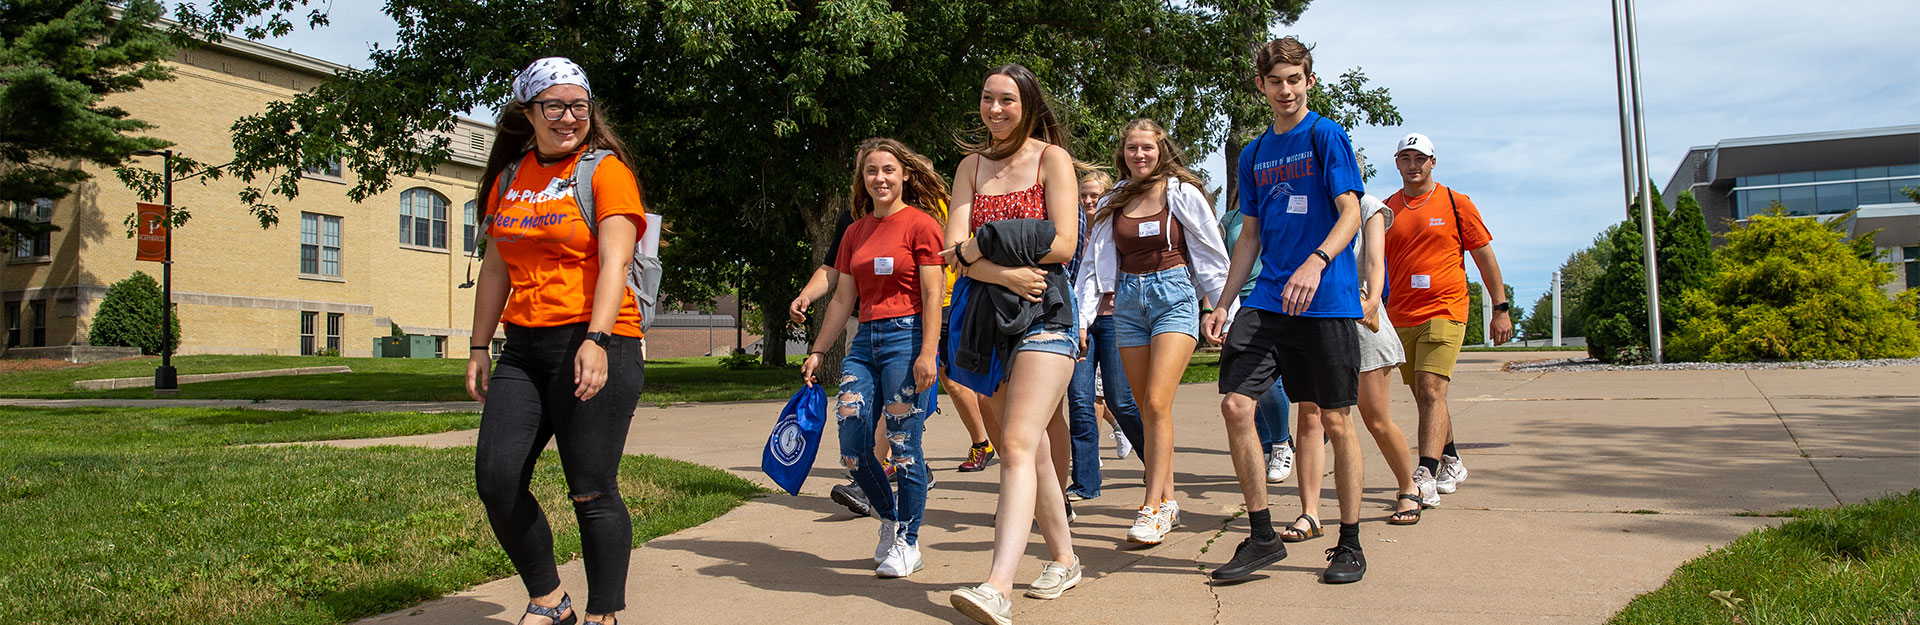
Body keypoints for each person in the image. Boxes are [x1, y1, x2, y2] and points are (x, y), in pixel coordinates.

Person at [467, 57, 647, 625]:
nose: (568, 118)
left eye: (579, 106)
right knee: (496, 479)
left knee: (591, 490)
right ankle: (550, 600)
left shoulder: (605, 171)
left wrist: (596, 338)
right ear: (528, 112)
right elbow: (495, 269)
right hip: (522, 347)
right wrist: (478, 347)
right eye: (554, 106)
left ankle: (603, 615)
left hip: (598, 339)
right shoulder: (508, 179)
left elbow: (616, 261)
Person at [1201, 37, 1369, 584]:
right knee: (1234, 406)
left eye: (1294, 79)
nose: (1285, 89)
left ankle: (1349, 543)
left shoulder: (1326, 136)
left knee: (1336, 421)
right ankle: (1261, 535)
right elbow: (1248, 237)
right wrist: (1224, 302)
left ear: (1309, 82)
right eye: (1275, 81)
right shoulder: (1252, 154)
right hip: (1268, 299)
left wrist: (1317, 261)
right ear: (1261, 87)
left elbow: (1351, 214)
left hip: (1326, 302)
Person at [943, 64, 1083, 625]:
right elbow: (953, 253)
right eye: (987, 99)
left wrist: (983, 250)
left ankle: (997, 586)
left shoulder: (1052, 159)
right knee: (1032, 452)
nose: (996, 109)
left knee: (1020, 443)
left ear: (1027, 104)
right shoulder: (969, 167)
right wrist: (1000, 270)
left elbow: (1063, 243)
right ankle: (1067, 559)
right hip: (985, 319)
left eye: (1007, 100)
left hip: (1045, 313)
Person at [1075, 118, 1229, 545]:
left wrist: (1223, 309)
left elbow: (1212, 254)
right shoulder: (1112, 200)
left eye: (1147, 147)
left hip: (1174, 296)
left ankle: (1151, 507)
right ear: (1121, 153)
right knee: (1146, 407)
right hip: (1126, 303)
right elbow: (1091, 266)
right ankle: (1170, 499)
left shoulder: (1182, 193)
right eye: (1131, 148)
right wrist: (1082, 320)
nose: (1139, 155)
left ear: (1161, 150)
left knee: (1158, 402)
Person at [800, 138, 948, 578]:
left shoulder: (921, 225)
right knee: (851, 447)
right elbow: (844, 299)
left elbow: (933, 294)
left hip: (907, 338)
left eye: (887, 170)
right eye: (871, 172)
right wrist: (818, 350)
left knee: (904, 448)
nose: (879, 178)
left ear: (904, 175)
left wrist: (928, 353)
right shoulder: (855, 231)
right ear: (861, 180)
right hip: (864, 344)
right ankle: (889, 515)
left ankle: (909, 541)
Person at [1290, 168, 1424, 531]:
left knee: (1375, 417)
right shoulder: (1303, 206)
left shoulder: (1369, 208)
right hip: (1314, 318)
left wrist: (1374, 299)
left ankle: (1409, 486)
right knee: (1311, 416)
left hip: (1360, 316)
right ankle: (1310, 512)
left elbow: (1375, 261)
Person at [1382, 132, 1509, 506]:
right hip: (1401, 314)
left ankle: (1425, 473)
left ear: (1433, 162)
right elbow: (1374, 263)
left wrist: (1500, 309)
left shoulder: (1456, 203)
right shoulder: (1388, 208)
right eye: (1406, 158)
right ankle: (1451, 459)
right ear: (1397, 163)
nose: (1413, 165)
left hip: (1445, 307)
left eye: (1420, 158)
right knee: (1425, 396)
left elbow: (1486, 258)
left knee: (1431, 390)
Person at [1219, 193, 1294, 485]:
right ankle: (1264, 447)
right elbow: (1221, 262)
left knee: (1269, 381)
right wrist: (1219, 305)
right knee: (1249, 381)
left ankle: (1280, 443)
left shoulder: (1281, 207)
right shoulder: (1230, 220)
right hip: (1241, 299)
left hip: (1274, 296)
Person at [1071, 170, 1142, 475]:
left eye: (1095, 195)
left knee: (1120, 398)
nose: (1088, 201)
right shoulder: (1070, 232)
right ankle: (1085, 480)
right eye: (1084, 195)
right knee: (1079, 399)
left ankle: (1156, 465)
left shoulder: (1117, 227)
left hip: (1113, 318)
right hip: (1077, 322)